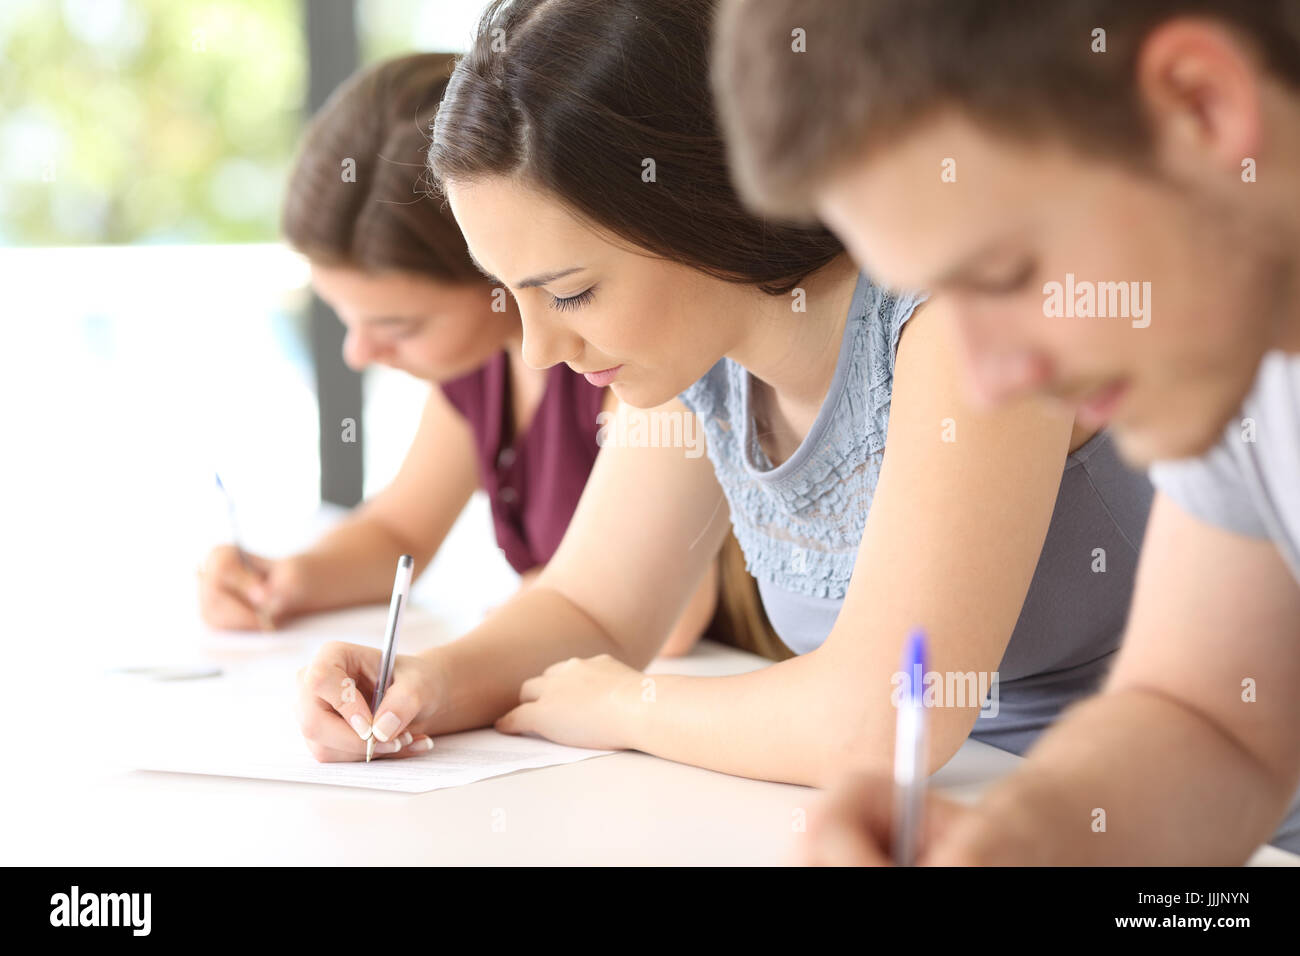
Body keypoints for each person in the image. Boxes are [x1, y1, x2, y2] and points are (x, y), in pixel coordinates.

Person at [292, 0, 1152, 776]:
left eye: (570, 292)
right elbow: (591, 609)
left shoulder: (956, 312)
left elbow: (885, 718)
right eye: (510, 294)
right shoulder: (700, 360)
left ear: (697, 206)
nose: (539, 350)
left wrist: (632, 706)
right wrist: (417, 685)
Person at [711, 0, 1300, 861]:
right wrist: (1019, 842)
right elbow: (1207, 722)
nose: (988, 379)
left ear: (1201, 104)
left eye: (1004, 273)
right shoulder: (1231, 343)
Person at [197, 53, 727, 658]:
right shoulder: (478, 371)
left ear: (496, 268)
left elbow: (674, 618)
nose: (358, 352)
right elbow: (399, 531)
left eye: (399, 324)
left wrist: (558, 604)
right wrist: (287, 579)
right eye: (346, 319)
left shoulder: (625, 361)